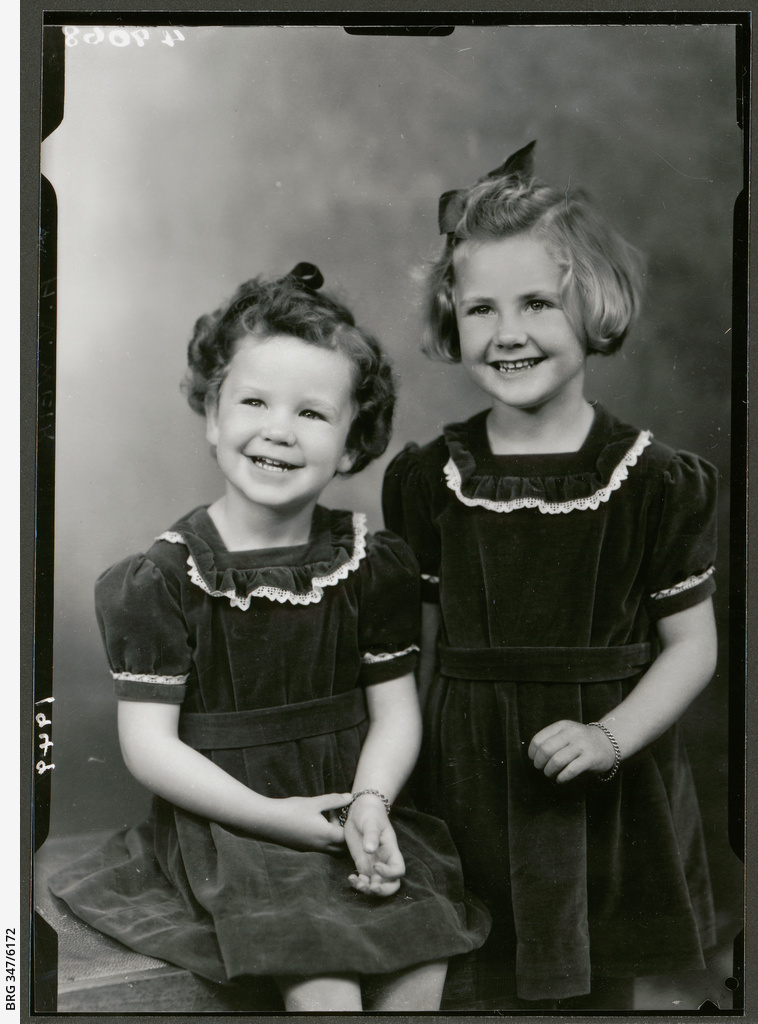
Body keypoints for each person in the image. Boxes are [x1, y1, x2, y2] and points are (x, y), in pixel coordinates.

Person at [50, 263, 490, 1012]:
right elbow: (149, 745)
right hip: (233, 826)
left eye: (313, 414)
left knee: (422, 967)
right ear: (214, 418)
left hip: (355, 805)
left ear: (353, 445)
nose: (279, 430)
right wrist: (276, 820)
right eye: (254, 401)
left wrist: (373, 803)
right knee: (324, 984)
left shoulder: (372, 564)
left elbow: (394, 712)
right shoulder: (162, 579)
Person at [382, 143, 719, 1011]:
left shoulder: (651, 480)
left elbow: (691, 647)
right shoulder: (429, 479)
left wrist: (610, 736)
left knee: (593, 988)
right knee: (466, 983)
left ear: (593, 304)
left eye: (538, 302)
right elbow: (408, 653)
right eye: (482, 308)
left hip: (603, 792)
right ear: (452, 318)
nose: (509, 333)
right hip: (464, 780)